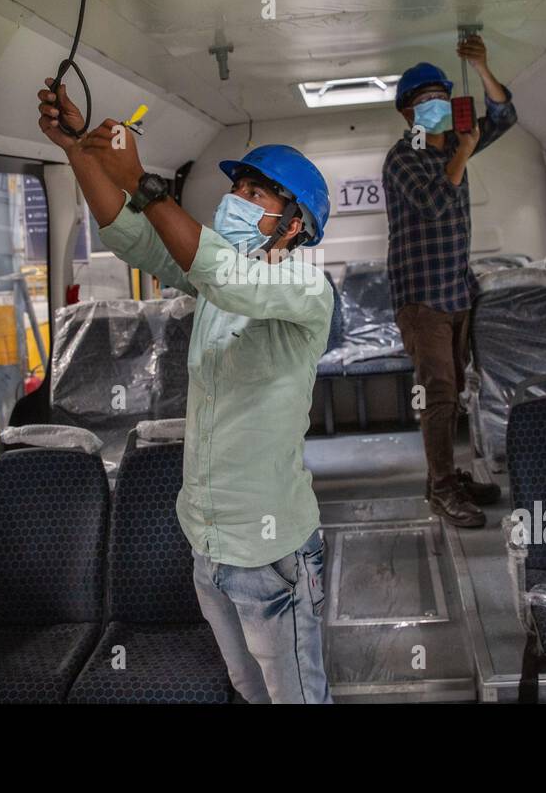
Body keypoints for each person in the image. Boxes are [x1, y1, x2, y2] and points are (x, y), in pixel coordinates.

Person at [38, 80, 334, 703]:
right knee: (248, 691)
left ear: (294, 225)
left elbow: (227, 278)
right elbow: (131, 235)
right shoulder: (214, 278)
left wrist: (145, 180)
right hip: (208, 541)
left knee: (297, 698)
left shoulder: (307, 290)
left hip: (269, 549)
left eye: (255, 193)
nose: (236, 199)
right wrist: (78, 152)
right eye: (236, 188)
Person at [383, 35, 518, 528]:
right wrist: (462, 152)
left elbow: (504, 117)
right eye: (423, 103)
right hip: (421, 299)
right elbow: (437, 204)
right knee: (437, 392)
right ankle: (441, 491)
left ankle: (447, 475)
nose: (434, 106)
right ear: (407, 115)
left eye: (440, 97)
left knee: (455, 389)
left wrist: (482, 68)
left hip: (456, 291)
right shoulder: (404, 158)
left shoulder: (456, 145)